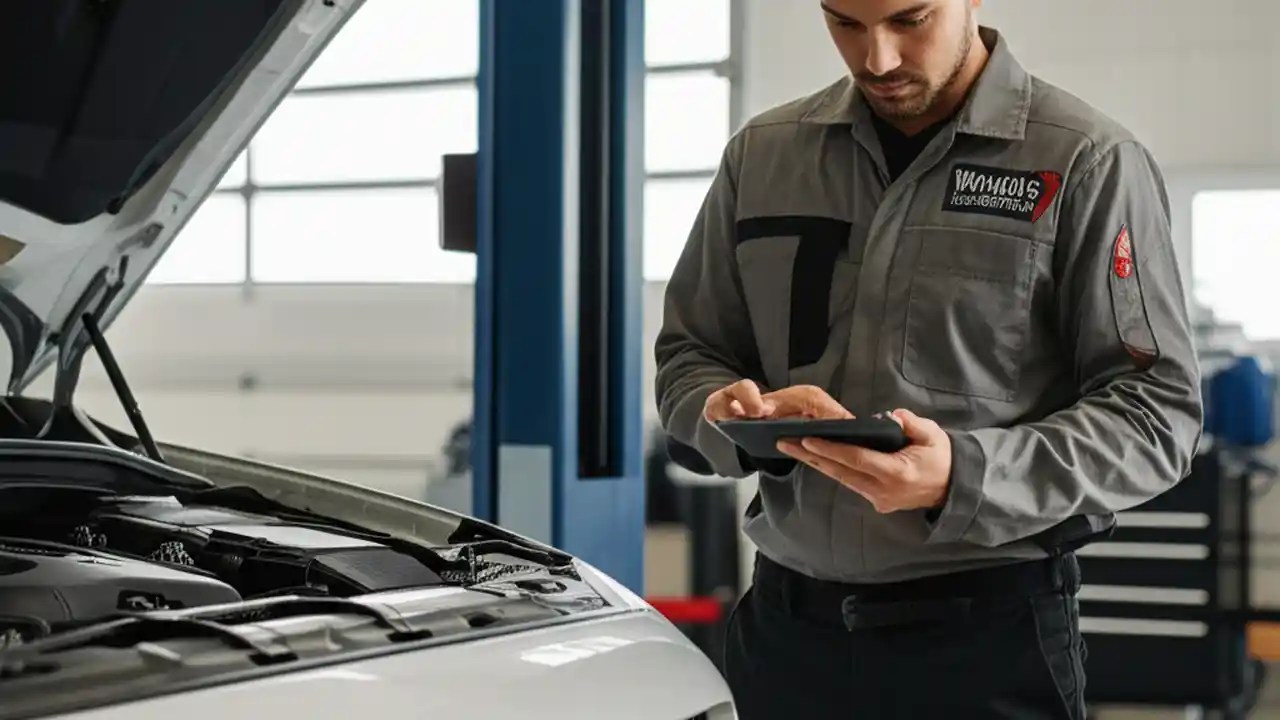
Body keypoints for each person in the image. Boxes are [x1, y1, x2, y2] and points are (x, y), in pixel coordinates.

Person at [653, 0, 1204, 717]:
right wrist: (722, 410)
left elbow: (1156, 415)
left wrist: (964, 476)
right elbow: (691, 351)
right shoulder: (764, 156)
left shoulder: (1085, 162)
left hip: (982, 646)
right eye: (844, 22)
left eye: (909, 19)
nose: (876, 59)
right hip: (786, 637)